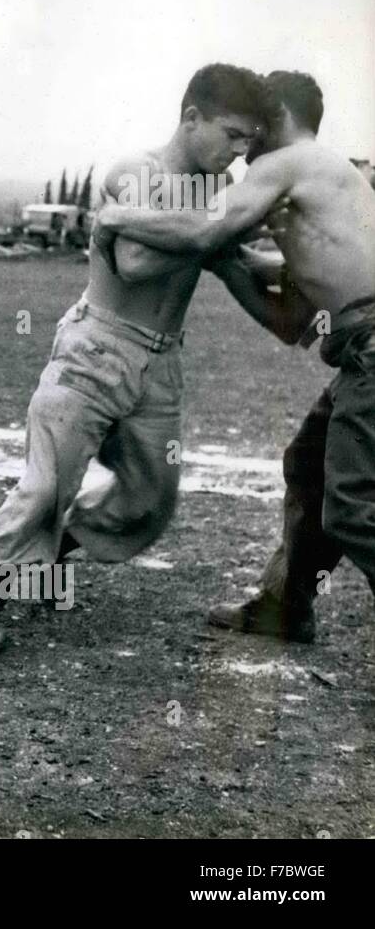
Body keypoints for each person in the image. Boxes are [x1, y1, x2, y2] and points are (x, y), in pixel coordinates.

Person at [0, 63, 278, 652]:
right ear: (191, 117)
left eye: (249, 141)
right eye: (232, 134)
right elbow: (133, 263)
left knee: (149, 499)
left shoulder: (215, 195)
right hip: (97, 347)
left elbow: (236, 263)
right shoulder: (139, 172)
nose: (239, 151)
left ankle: (48, 556)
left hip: (162, 363)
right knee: (48, 484)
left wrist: (306, 290)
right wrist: (209, 236)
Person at [97, 71, 375, 645]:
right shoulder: (323, 195)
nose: (243, 154)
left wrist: (120, 217)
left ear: (275, 120)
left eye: (251, 135)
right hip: (359, 354)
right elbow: (290, 324)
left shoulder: (293, 161)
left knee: (350, 508)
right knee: (308, 464)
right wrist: (228, 262)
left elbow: (203, 230)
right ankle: (285, 608)